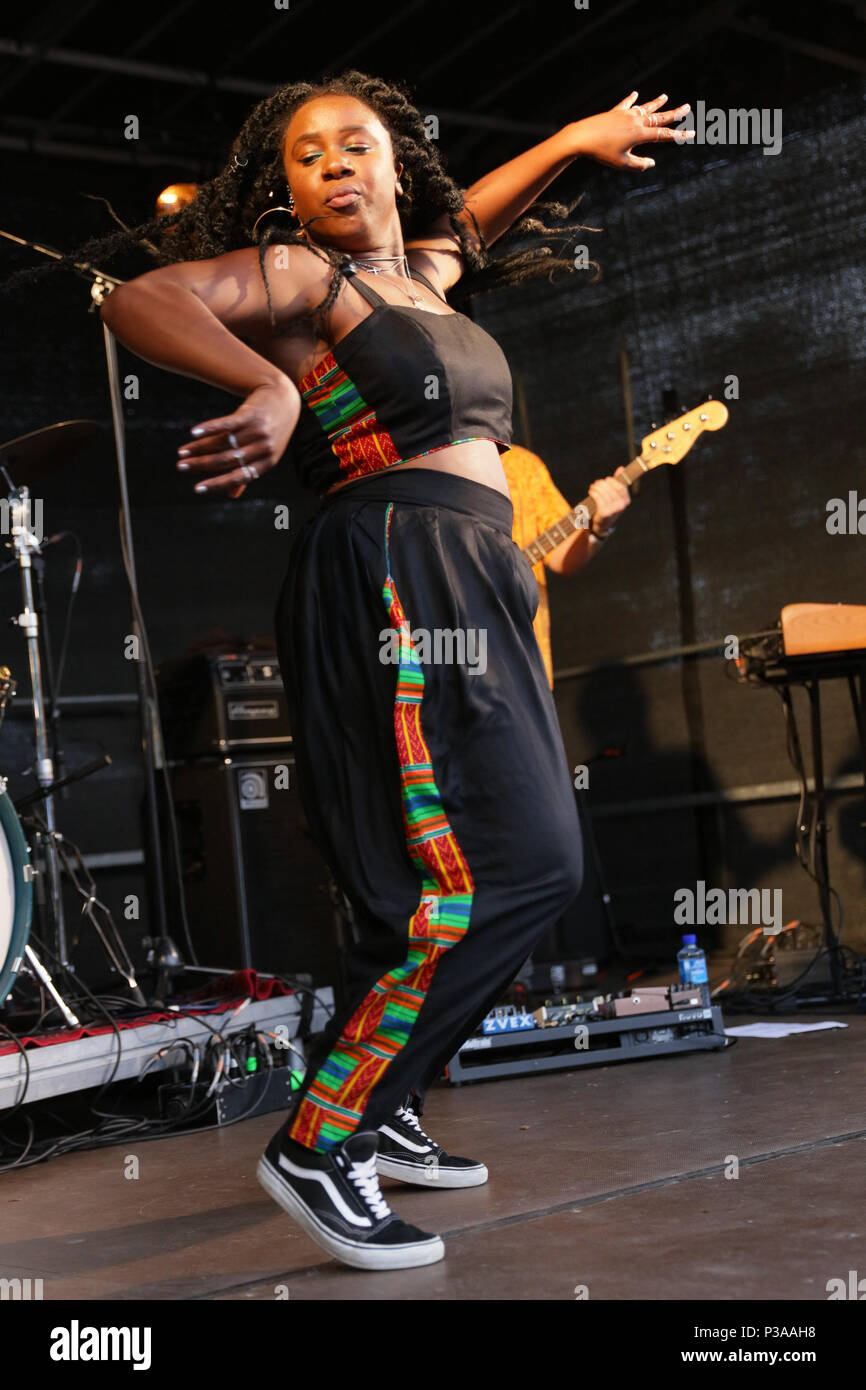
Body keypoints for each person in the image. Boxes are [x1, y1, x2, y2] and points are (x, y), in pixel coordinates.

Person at [94, 70, 692, 1272]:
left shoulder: (419, 275)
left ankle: (392, 1101)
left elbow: (478, 217)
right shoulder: (306, 280)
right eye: (307, 154)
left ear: (394, 164)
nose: (334, 164)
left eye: (356, 143)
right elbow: (136, 295)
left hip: (469, 570)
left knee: (473, 874)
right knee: (513, 862)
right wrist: (264, 381)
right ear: (287, 190)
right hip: (395, 562)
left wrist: (575, 131)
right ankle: (321, 1138)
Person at [500, 445, 631, 688]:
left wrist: (599, 528)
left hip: (520, 663)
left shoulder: (522, 465)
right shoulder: (411, 467)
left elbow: (562, 557)